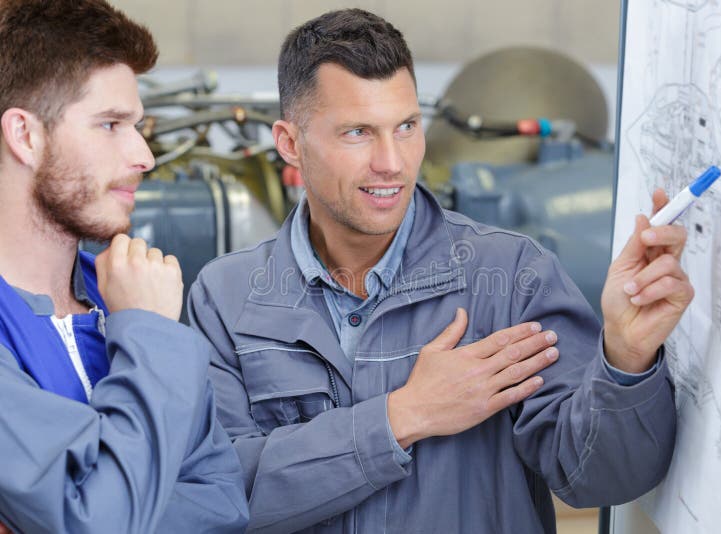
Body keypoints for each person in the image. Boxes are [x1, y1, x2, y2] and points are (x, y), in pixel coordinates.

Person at [188, 9, 694, 534]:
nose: (392, 162)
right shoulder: (226, 299)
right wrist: (404, 416)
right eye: (359, 132)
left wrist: (626, 361)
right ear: (290, 143)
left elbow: (599, 479)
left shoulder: (512, 277)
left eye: (406, 127)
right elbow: (219, 497)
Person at [0, 1, 249, 532]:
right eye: (111, 124)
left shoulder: (127, 298)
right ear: (25, 135)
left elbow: (224, 505)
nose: (145, 155)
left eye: (138, 125)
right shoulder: (146, 320)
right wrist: (153, 334)